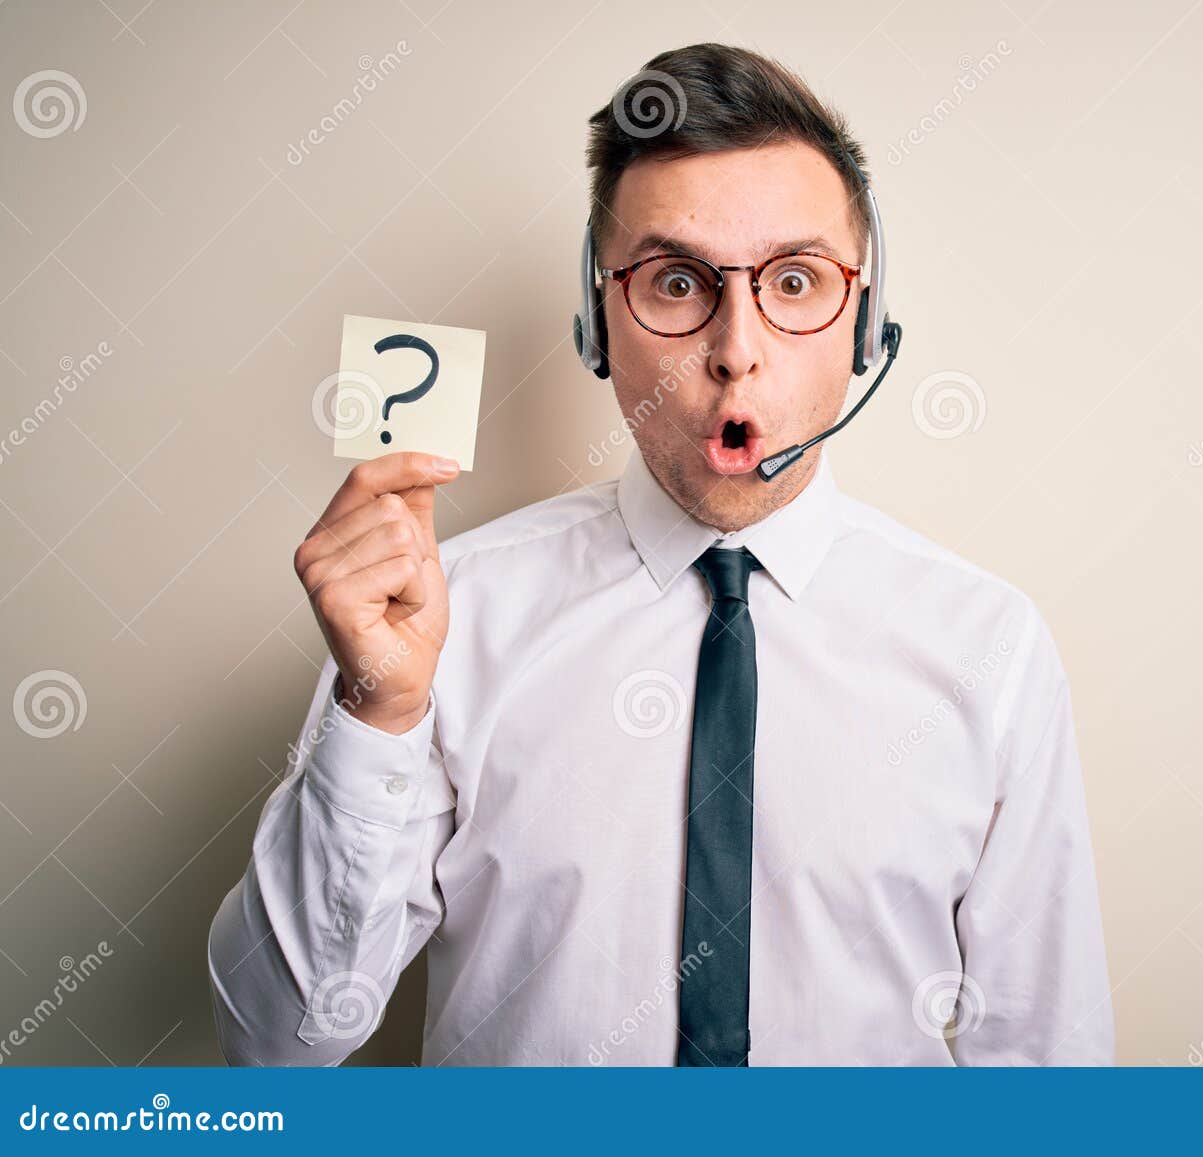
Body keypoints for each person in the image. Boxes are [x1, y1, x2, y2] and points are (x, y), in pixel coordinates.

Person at [207, 41, 1114, 1066]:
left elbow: (1049, 1066)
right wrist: (379, 711)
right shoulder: (441, 615)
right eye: (678, 281)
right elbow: (276, 1043)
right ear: (599, 321)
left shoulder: (988, 646)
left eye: (797, 279)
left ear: (863, 322)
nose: (736, 345)